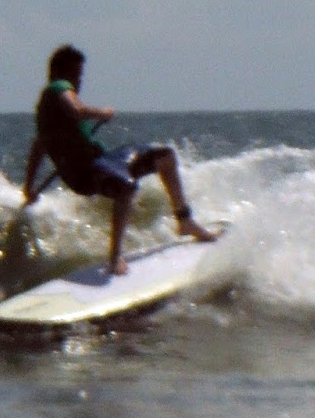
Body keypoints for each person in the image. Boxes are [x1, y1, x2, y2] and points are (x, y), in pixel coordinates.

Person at [22, 44, 216, 275]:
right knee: (126, 188)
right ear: (62, 73)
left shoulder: (46, 112)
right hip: (89, 170)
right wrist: (101, 113)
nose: (78, 82)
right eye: (77, 75)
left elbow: (38, 147)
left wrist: (29, 186)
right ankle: (115, 258)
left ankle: (185, 221)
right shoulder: (58, 87)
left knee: (165, 157)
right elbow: (76, 110)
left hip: (99, 165)